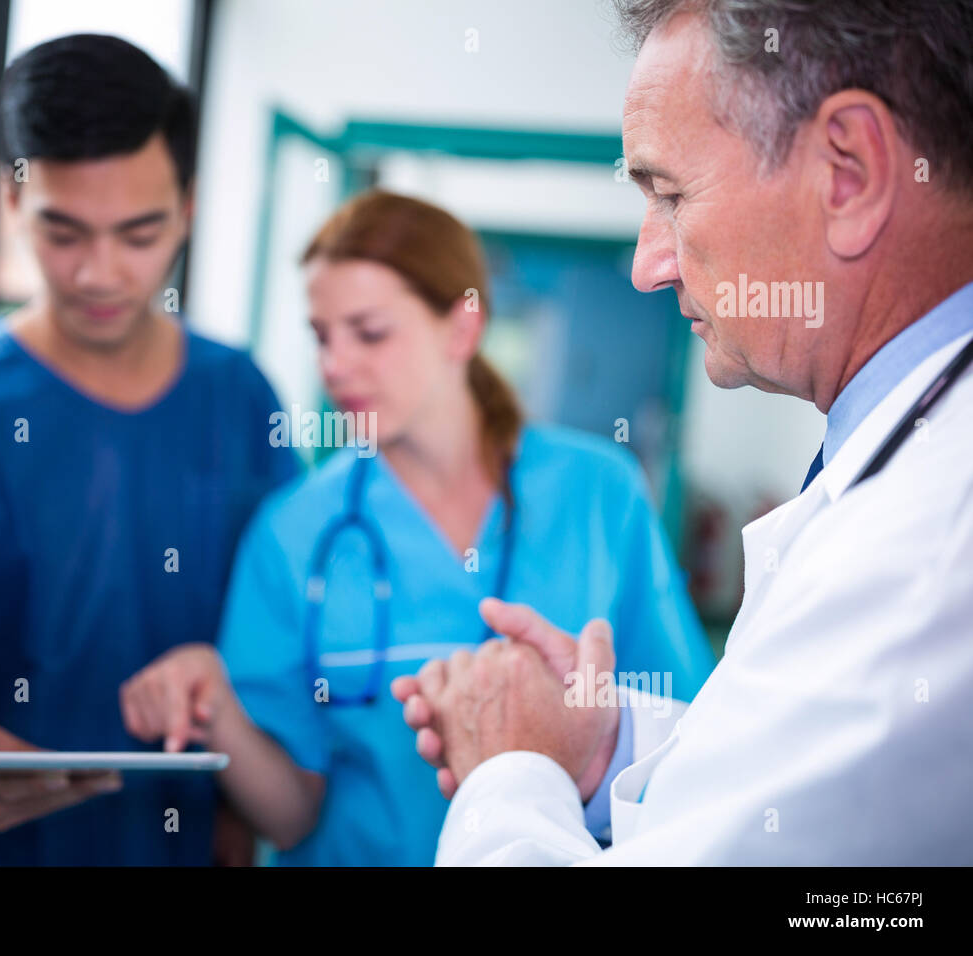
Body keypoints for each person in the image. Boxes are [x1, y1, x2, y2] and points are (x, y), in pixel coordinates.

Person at [398, 0, 973, 865]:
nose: (646, 265)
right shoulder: (905, 468)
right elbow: (786, 773)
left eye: (670, 194)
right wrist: (599, 745)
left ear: (848, 174)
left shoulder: (926, 551)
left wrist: (511, 770)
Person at [120, 190, 716, 865]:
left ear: (462, 327)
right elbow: (286, 820)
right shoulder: (292, 531)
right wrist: (216, 706)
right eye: (321, 335)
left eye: (369, 332)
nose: (335, 365)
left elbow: (681, 738)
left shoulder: (598, 492)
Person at [0, 34, 298, 866]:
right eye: (63, 231)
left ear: (190, 207)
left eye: (139, 234)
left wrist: (238, 819)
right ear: (13, 203)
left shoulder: (240, 400)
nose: (100, 273)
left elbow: (277, 647)